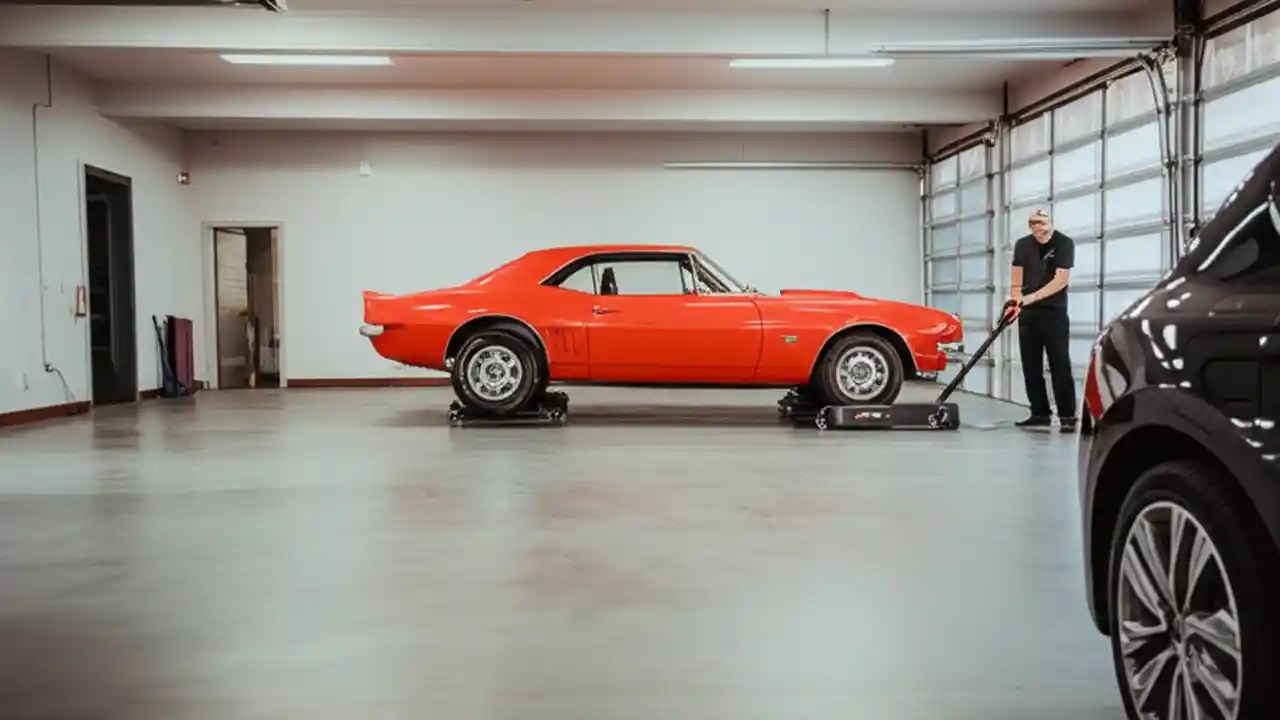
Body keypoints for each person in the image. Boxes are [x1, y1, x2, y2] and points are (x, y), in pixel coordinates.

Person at [1007, 209, 1077, 432]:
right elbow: (1017, 278)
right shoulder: (1022, 245)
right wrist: (1016, 300)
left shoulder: (1064, 243)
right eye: (1034, 225)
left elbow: (1061, 280)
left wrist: (1031, 297)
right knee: (1031, 365)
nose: (1039, 229)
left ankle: (1067, 415)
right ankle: (1039, 413)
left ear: (1050, 223)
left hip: (1053, 313)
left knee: (1059, 363)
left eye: (1042, 225)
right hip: (1028, 314)